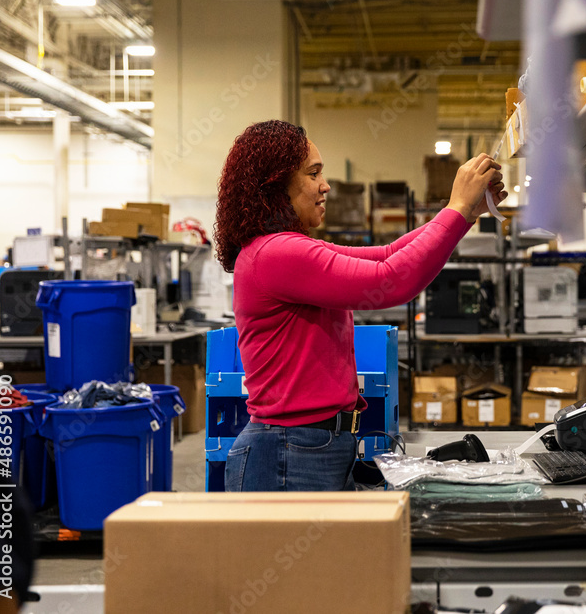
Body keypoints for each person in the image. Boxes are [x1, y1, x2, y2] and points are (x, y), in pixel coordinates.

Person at [213, 120, 506, 491]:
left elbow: (387, 255)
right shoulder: (277, 253)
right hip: (290, 454)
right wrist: (457, 207)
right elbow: (391, 279)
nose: (326, 185)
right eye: (313, 173)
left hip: (308, 447)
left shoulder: (283, 248)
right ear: (276, 184)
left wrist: (465, 214)